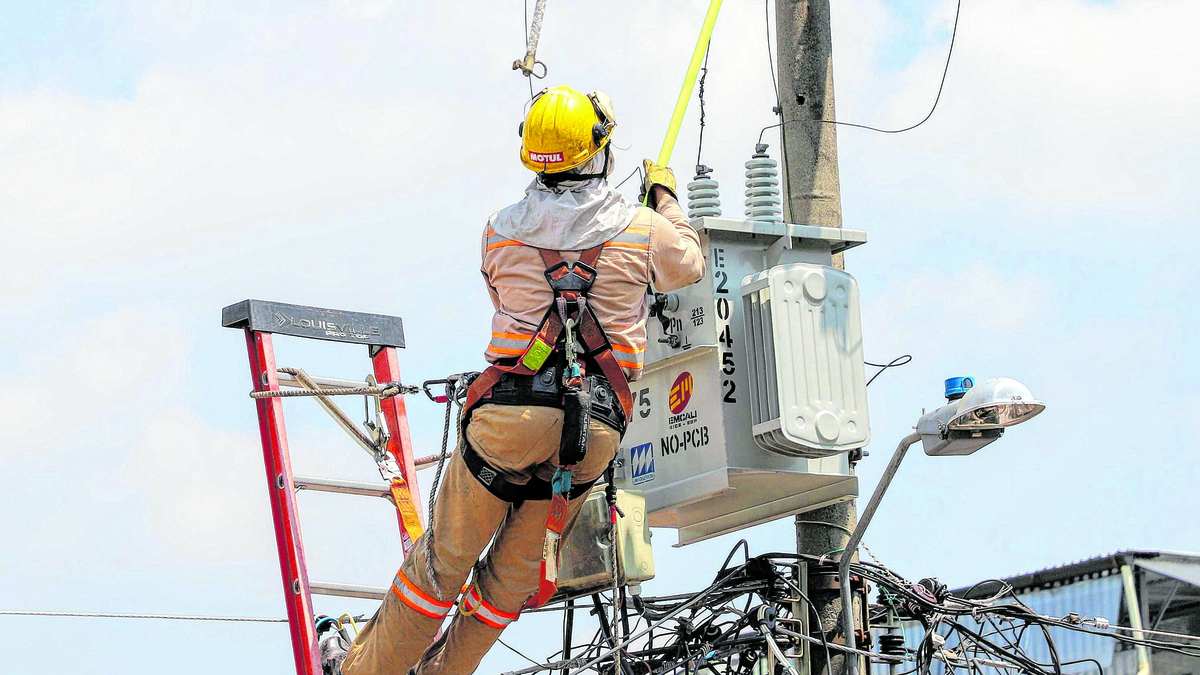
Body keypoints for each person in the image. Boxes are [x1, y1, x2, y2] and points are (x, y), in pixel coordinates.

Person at [340, 85, 704, 675]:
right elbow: (686, 264)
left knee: (441, 570)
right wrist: (663, 196)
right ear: (600, 151)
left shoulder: (501, 232)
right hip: (591, 432)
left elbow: (502, 292)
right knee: (508, 583)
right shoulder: (644, 230)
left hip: (509, 420)